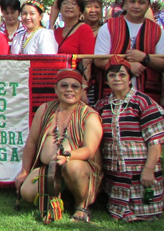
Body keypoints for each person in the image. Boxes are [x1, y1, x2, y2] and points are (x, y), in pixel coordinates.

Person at [16, 69, 103, 223]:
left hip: (78, 167)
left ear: (82, 90)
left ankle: (81, 207)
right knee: (27, 193)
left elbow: (89, 150)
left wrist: (67, 156)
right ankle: (61, 198)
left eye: (75, 86)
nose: (69, 89)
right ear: (56, 89)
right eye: (64, 85)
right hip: (49, 168)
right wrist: (24, 171)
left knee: (72, 167)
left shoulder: (90, 115)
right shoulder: (45, 110)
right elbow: (32, 142)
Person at [94, 58, 164, 221]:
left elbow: (155, 140)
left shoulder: (143, 102)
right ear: (107, 80)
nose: (117, 79)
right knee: (118, 210)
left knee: (146, 211)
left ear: (130, 79)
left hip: (141, 169)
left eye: (122, 75)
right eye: (112, 75)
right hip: (116, 172)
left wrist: (149, 170)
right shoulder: (102, 105)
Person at [93, 0, 164, 103]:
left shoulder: (157, 30)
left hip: (147, 97)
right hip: (113, 95)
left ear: (148, 6)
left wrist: (145, 58)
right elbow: (99, 60)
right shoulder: (109, 26)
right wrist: (127, 66)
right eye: (132, 1)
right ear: (125, 3)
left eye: (141, 2)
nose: (136, 6)